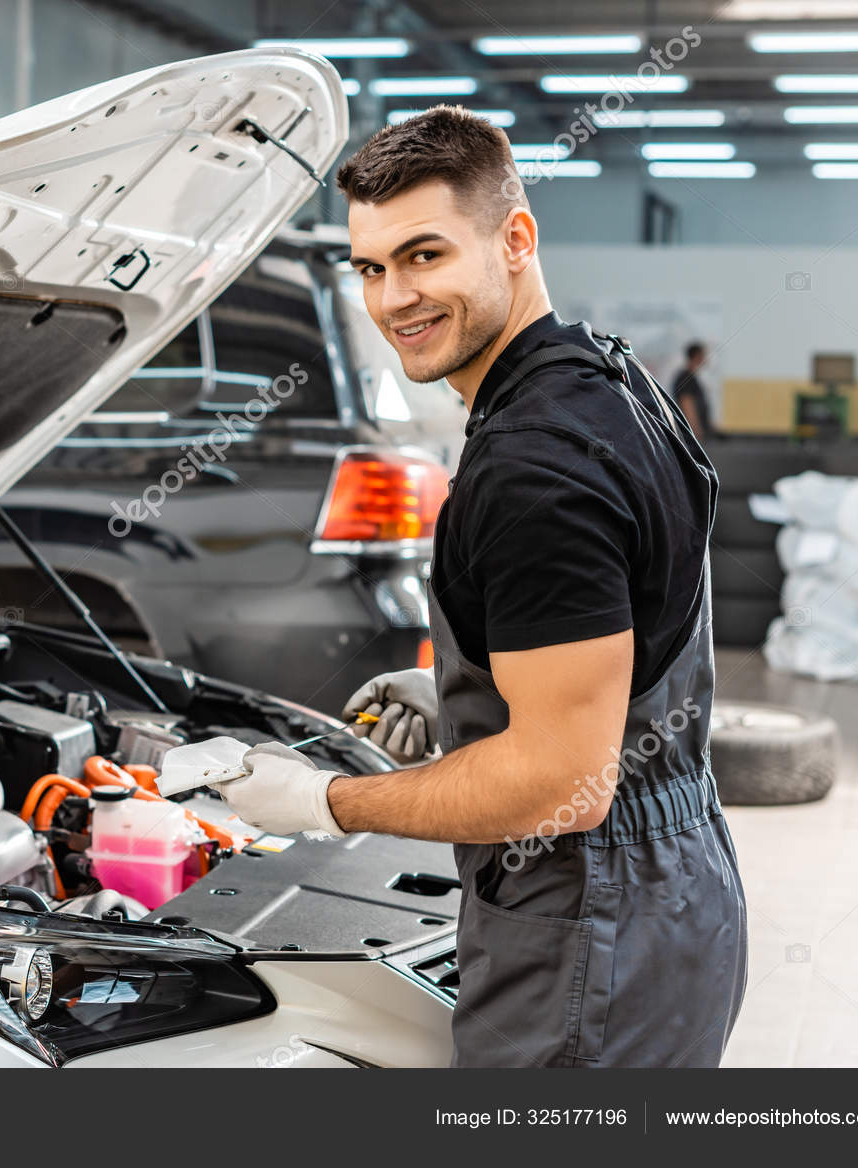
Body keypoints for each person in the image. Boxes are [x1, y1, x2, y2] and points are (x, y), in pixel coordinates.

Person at [216, 106, 747, 1067]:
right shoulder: (610, 380)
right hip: (672, 890)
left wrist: (321, 800)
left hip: (587, 921)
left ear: (515, 238)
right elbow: (631, 632)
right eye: (371, 268)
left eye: (424, 255)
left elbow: (565, 782)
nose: (393, 300)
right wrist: (476, 701)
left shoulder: (531, 470)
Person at [671, 341, 715, 440]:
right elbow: (687, 405)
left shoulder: (690, 377)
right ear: (697, 356)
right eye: (704, 355)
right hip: (694, 436)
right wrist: (696, 433)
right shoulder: (686, 377)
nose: (706, 358)